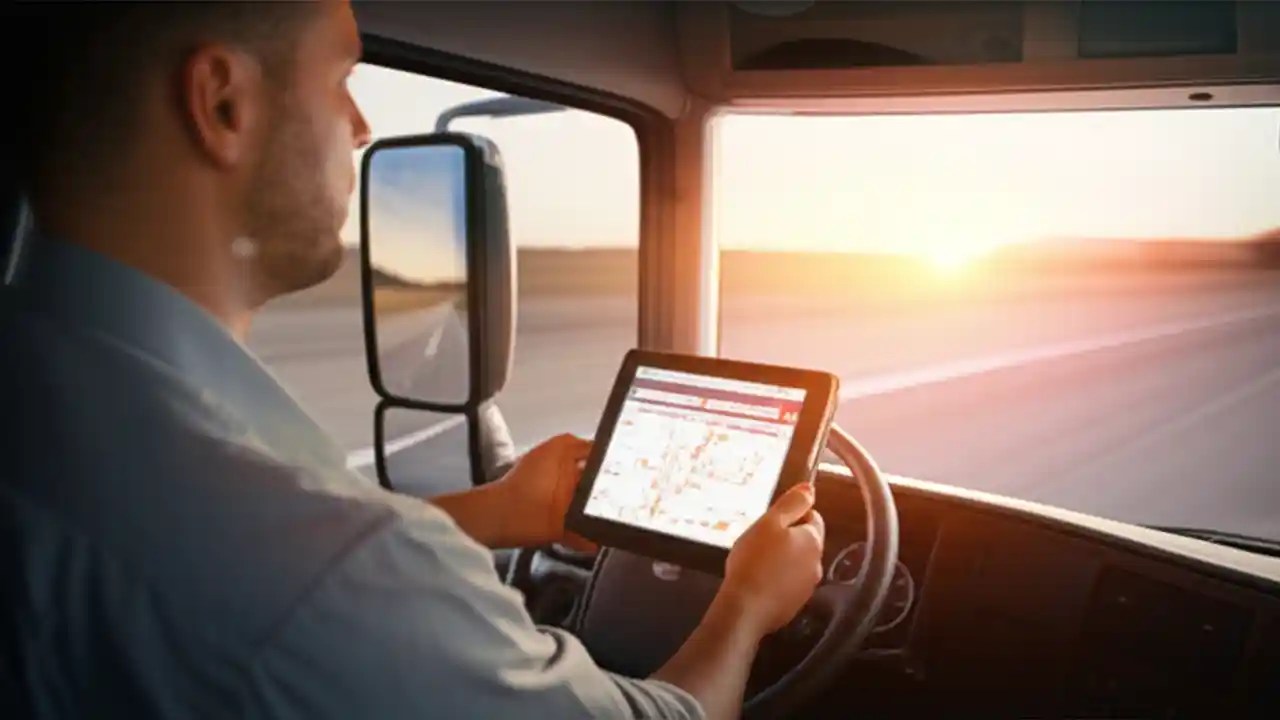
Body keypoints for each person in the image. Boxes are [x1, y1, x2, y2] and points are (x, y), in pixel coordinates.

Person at [1, 2, 825, 718]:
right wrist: (748, 605)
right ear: (223, 103)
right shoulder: (327, 570)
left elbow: (255, 565)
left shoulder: (60, 410)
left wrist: (492, 511)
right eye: (341, 79)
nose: (362, 126)